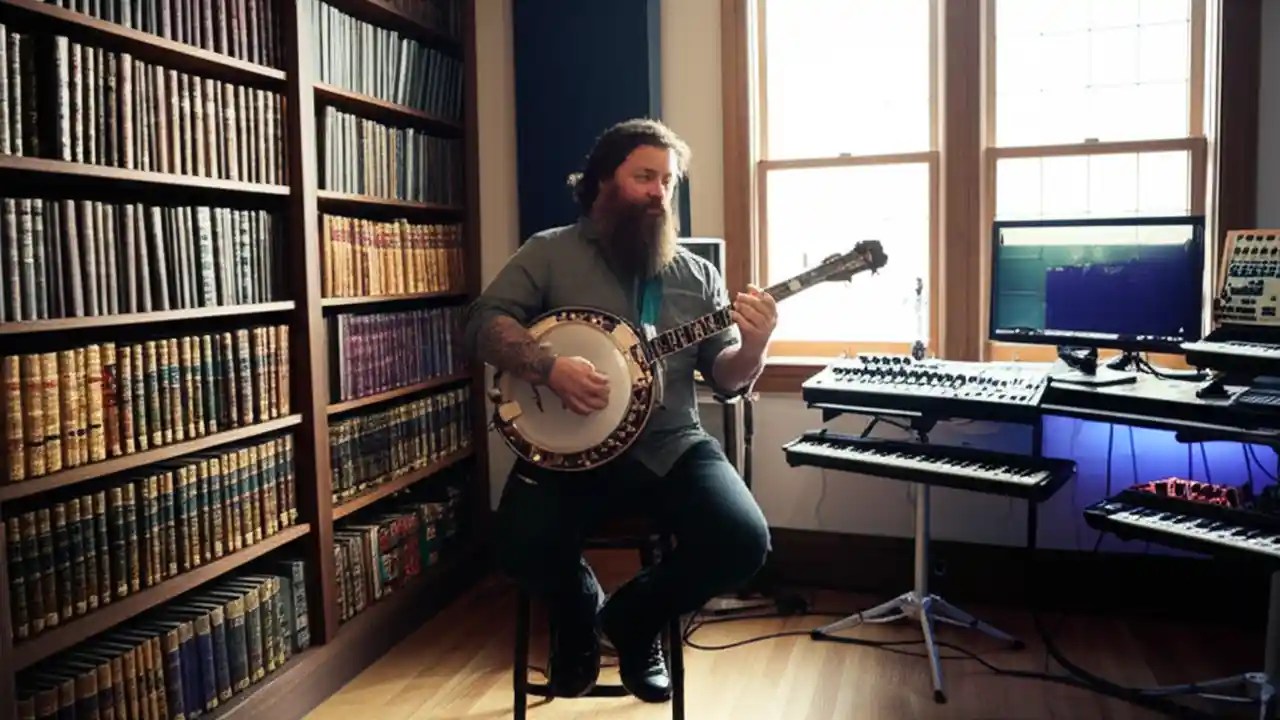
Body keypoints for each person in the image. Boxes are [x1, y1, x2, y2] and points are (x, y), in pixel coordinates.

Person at [462, 118, 774, 704]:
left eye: (669, 181)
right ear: (606, 179)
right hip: (567, 451)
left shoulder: (695, 275)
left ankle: (634, 622)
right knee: (516, 545)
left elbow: (725, 377)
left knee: (742, 540)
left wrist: (754, 347)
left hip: (671, 444)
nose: (660, 191)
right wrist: (546, 365)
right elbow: (483, 323)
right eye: (645, 177)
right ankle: (580, 617)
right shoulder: (549, 253)